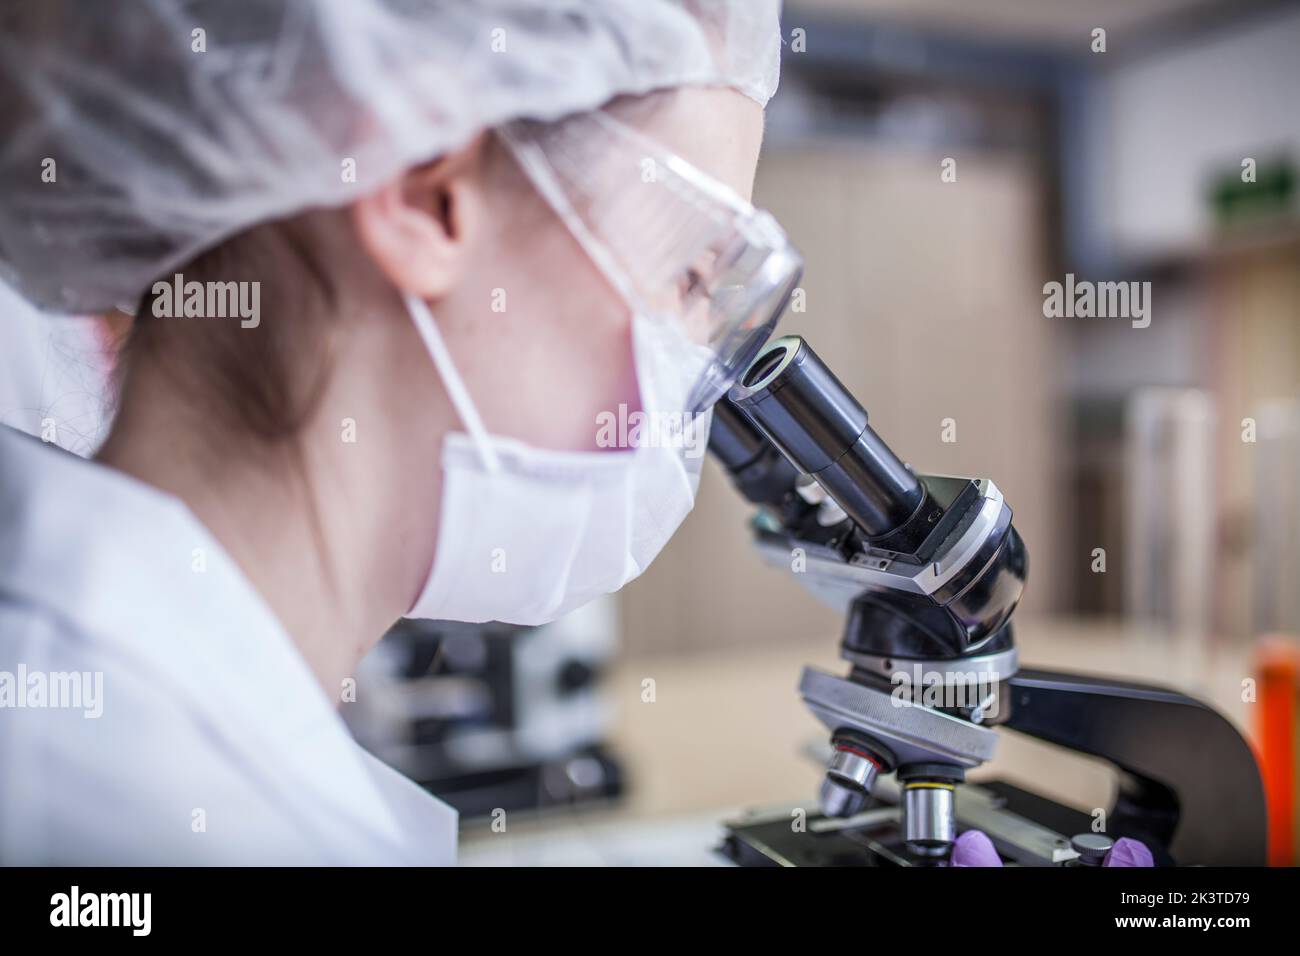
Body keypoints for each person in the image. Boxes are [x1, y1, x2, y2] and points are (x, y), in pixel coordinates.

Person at [0, 0, 795, 864]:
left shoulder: (132, 692)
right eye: (689, 274)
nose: (699, 367)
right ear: (425, 195)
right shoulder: (123, 807)